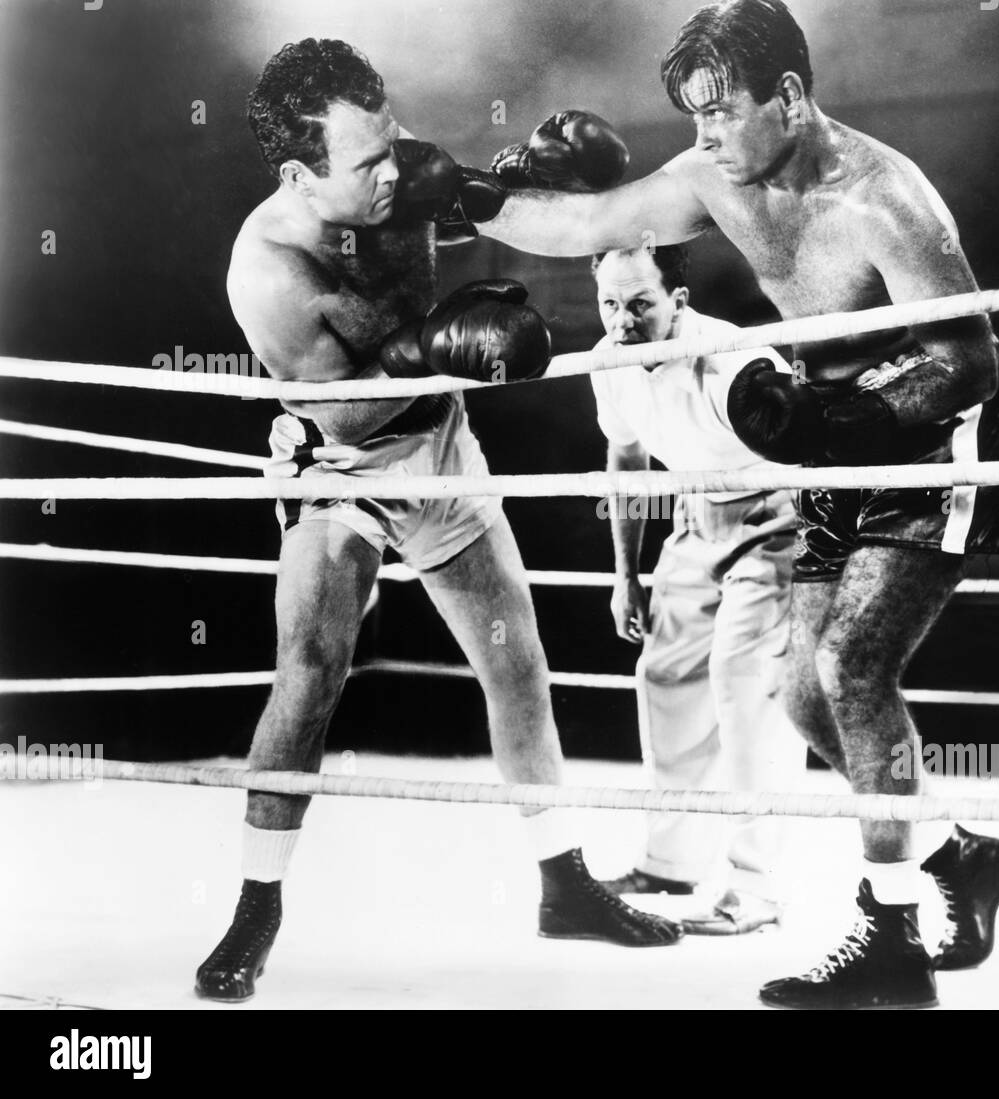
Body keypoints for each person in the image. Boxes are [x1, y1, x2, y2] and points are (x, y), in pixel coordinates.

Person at [474, 0, 999, 1008]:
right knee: (802, 695)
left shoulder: (883, 204)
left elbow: (970, 362)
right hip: (831, 443)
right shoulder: (708, 178)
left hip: (929, 441)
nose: (704, 137)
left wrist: (838, 427)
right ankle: (961, 856)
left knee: (851, 669)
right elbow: (588, 222)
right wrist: (456, 195)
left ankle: (891, 943)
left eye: (720, 112)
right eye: (691, 117)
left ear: (790, 96)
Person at [197, 38, 681, 1004]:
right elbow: (343, 410)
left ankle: (564, 883)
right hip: (340, 458)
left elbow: (447, 220)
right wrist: (439, 345)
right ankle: (257, 905)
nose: (393, 167)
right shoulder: (268, 266)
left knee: (517, 659)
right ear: (300, 172)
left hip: (442, 444)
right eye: (366, 160)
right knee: (312, 671)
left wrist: (516, 187)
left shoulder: (397, 164)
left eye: (391, 142)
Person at [588, 243, 808, 934]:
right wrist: (626, 574)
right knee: (664, 679)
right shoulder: (607, 360)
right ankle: (670, 861)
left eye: (641, 303)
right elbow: (625, 461)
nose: (623, 320)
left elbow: (813, 440)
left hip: (769, 519)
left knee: (747, 690)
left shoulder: (738, 358)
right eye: (610, 303)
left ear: (679, 301)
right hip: (691, 520)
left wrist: (800, 509)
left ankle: (758, 889)